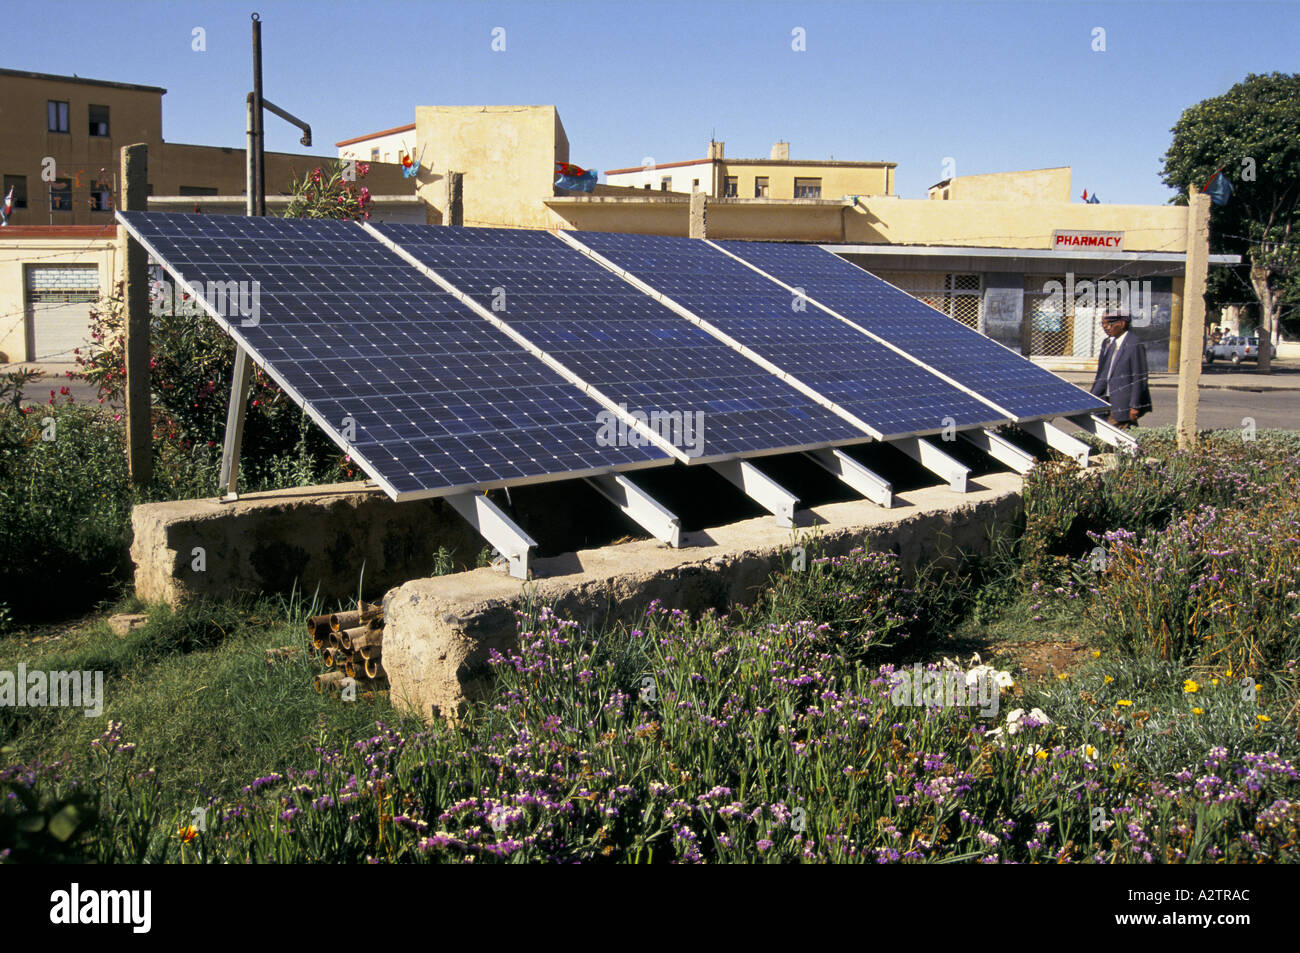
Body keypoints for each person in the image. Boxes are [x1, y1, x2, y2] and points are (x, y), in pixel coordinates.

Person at [1090, 312, 1152, 428]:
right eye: (1103, 324)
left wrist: (1135, 406)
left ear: (1122, 324)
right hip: (1106, 400)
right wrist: (1092, 396)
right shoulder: (1110, 343)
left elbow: (1139, 377)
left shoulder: (1134, 343)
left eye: (1109, 324)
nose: (1106, 327)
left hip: (1123, 404)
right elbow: (1102, 374)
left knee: (1119, 436)